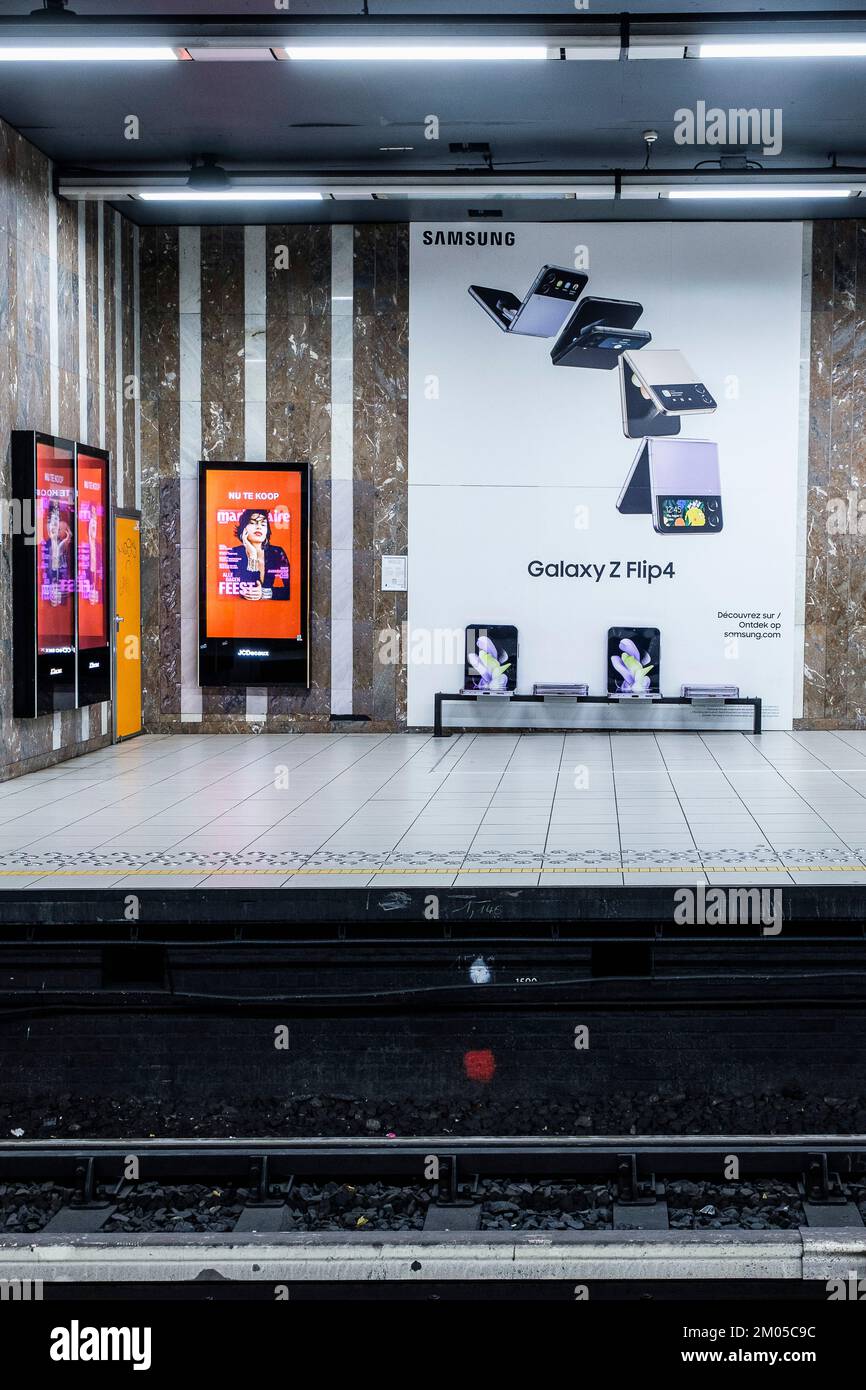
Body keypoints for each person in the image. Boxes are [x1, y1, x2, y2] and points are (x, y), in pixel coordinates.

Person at [223, 508, 290, 601]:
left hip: (272, 609)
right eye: (253, 523)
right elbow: (248, 589)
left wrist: (265, 593)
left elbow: (292, 589)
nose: (259, 527)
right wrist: (253, 556)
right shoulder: (234, 553)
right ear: (244, 529)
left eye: (263, 524)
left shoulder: (277, 553)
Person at [41, 499, 71, 607]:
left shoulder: (57, 544)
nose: (53, 525)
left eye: (56, 520)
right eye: (51, 521)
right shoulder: (45, 544)